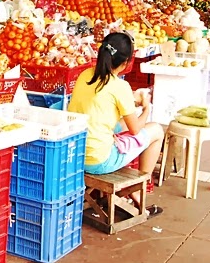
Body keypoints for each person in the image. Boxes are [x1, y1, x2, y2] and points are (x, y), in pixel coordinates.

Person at [68, 32, 164, 217]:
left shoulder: (85, 75)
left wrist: (132, 104)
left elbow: (105, 110)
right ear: (126, 63)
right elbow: (135, 129)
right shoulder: (120, 87)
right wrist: (146, 108)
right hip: (99, 160)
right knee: (157, 131)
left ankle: (135, 190)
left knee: (122, 125)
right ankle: (138, 189)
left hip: (77, 154)